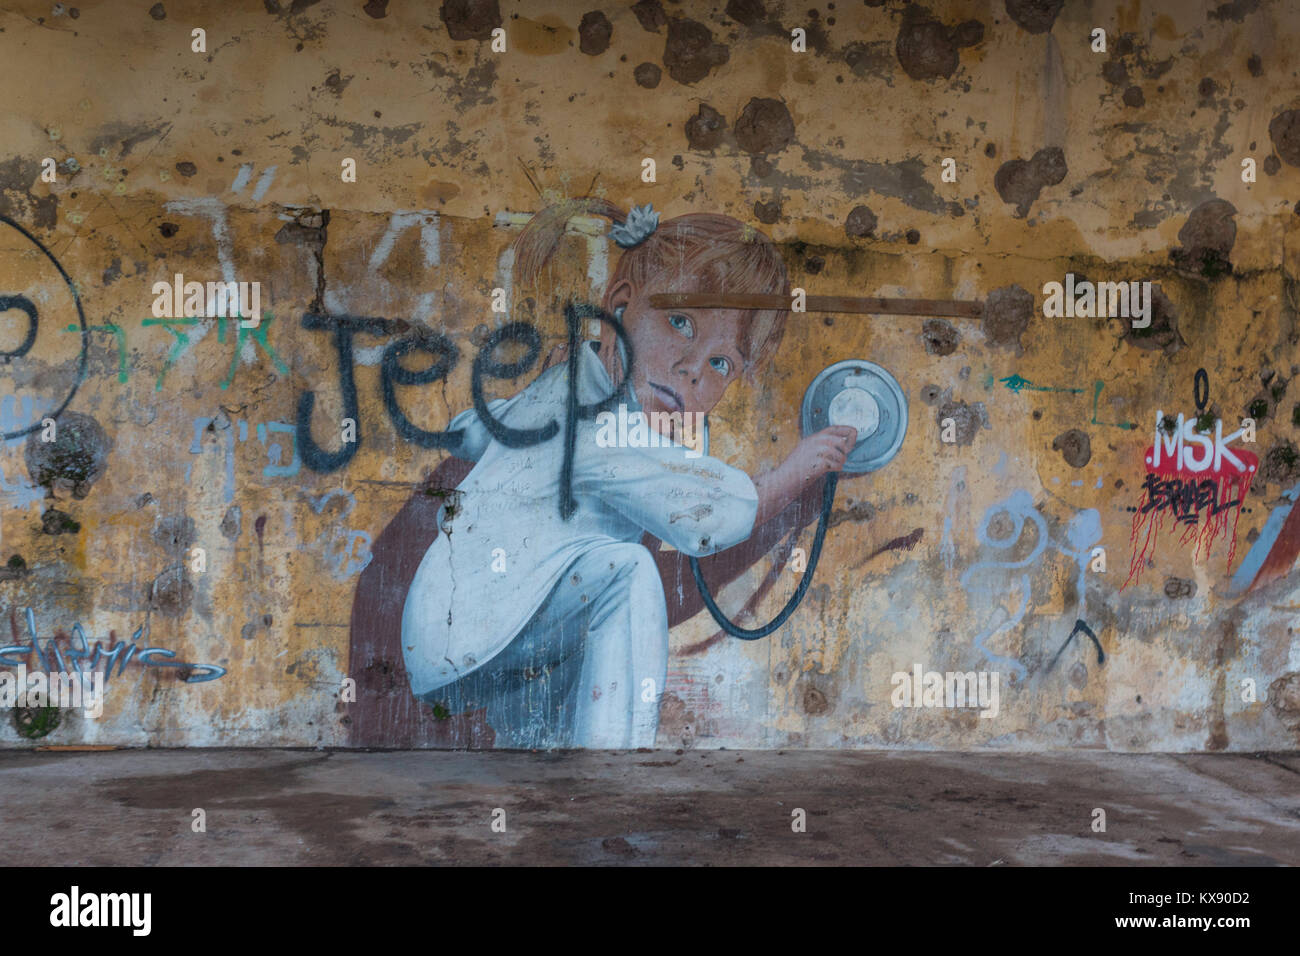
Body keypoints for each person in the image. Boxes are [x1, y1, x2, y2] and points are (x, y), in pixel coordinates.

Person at [400, 200, 857, 749]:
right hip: (477, 630)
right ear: (619, 306)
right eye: (680, 322)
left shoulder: (568, 381)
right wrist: (797, 471)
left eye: (721, 364)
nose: (692, 366)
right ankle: (612, 776)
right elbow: (707, 513)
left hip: (464, 628)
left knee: (594, 591)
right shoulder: (602, 427)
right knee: (626, 572)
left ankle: (579, 769)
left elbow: (472, 429)